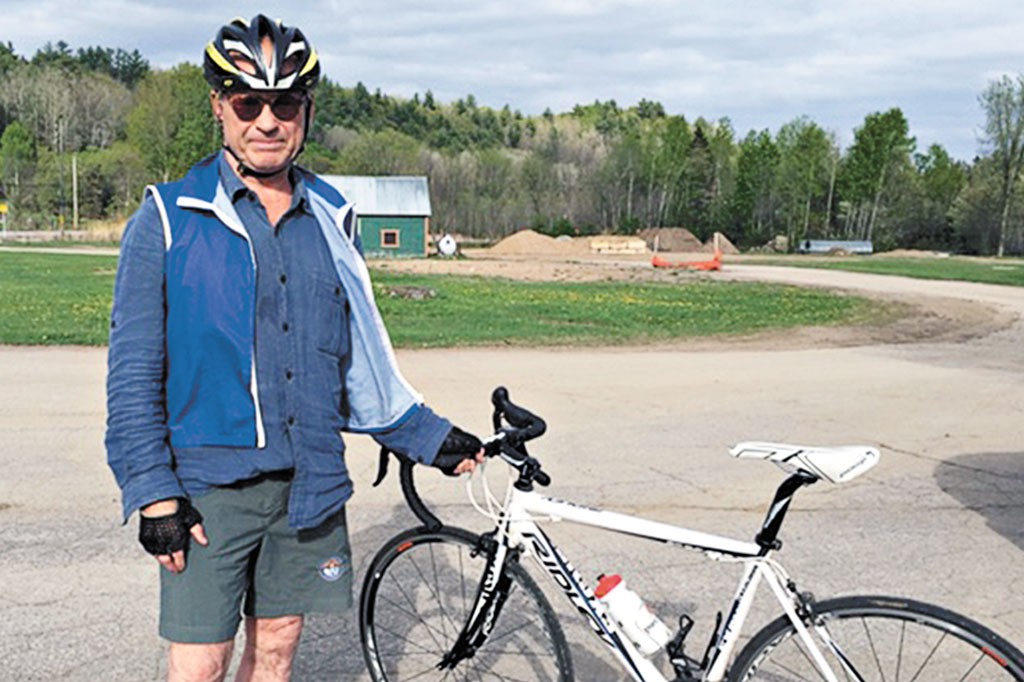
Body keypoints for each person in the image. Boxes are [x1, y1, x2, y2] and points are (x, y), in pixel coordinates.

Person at [105, 14, 483, 682]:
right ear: (220, 107)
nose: (267, 121)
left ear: (305, 111)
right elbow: (133, 374)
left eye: (285, 104)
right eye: (248, 103)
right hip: (207, 489)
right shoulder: (166, 217)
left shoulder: (332, 215)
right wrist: (153, 495)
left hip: (307, 483)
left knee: (277, 646)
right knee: (199, 663)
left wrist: (428, 435)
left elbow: (356, 354)